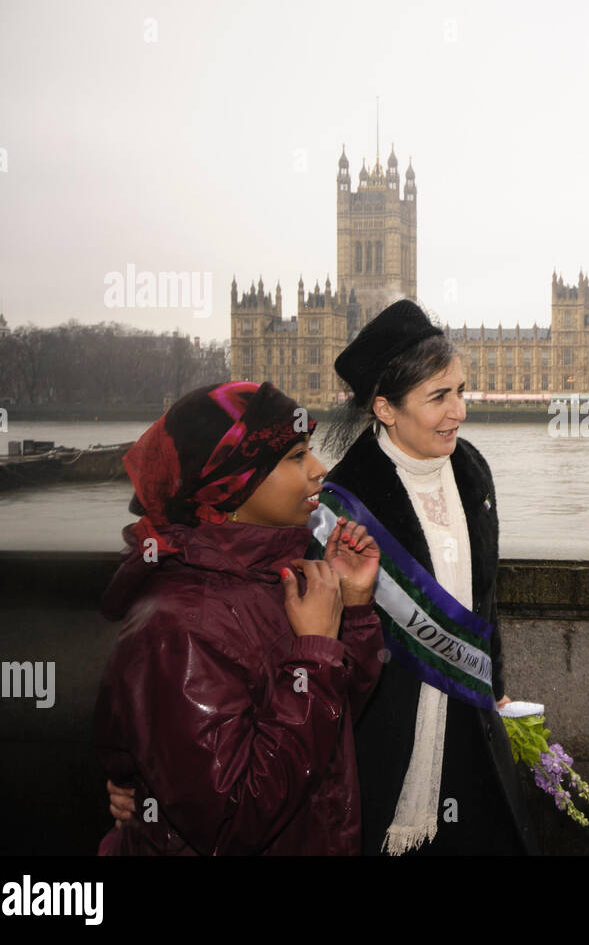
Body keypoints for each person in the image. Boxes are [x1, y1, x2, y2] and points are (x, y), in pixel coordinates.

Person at [94, 380, 385, 855]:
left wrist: (350, 610)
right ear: (229, 483)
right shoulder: (177, 628)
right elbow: (234, 816)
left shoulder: (271, 577)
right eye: (295, 456)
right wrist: (314, 654)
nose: (320, 470)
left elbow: (335, 713)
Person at [322, 298, 536, 855]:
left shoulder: (471, 469)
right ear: (386, 408)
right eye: (439, 397)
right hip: (389, 734)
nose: (458, 411)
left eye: (461, 391)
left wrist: (498, 686)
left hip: (471, 721)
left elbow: (484, 601)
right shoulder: (345, 499)